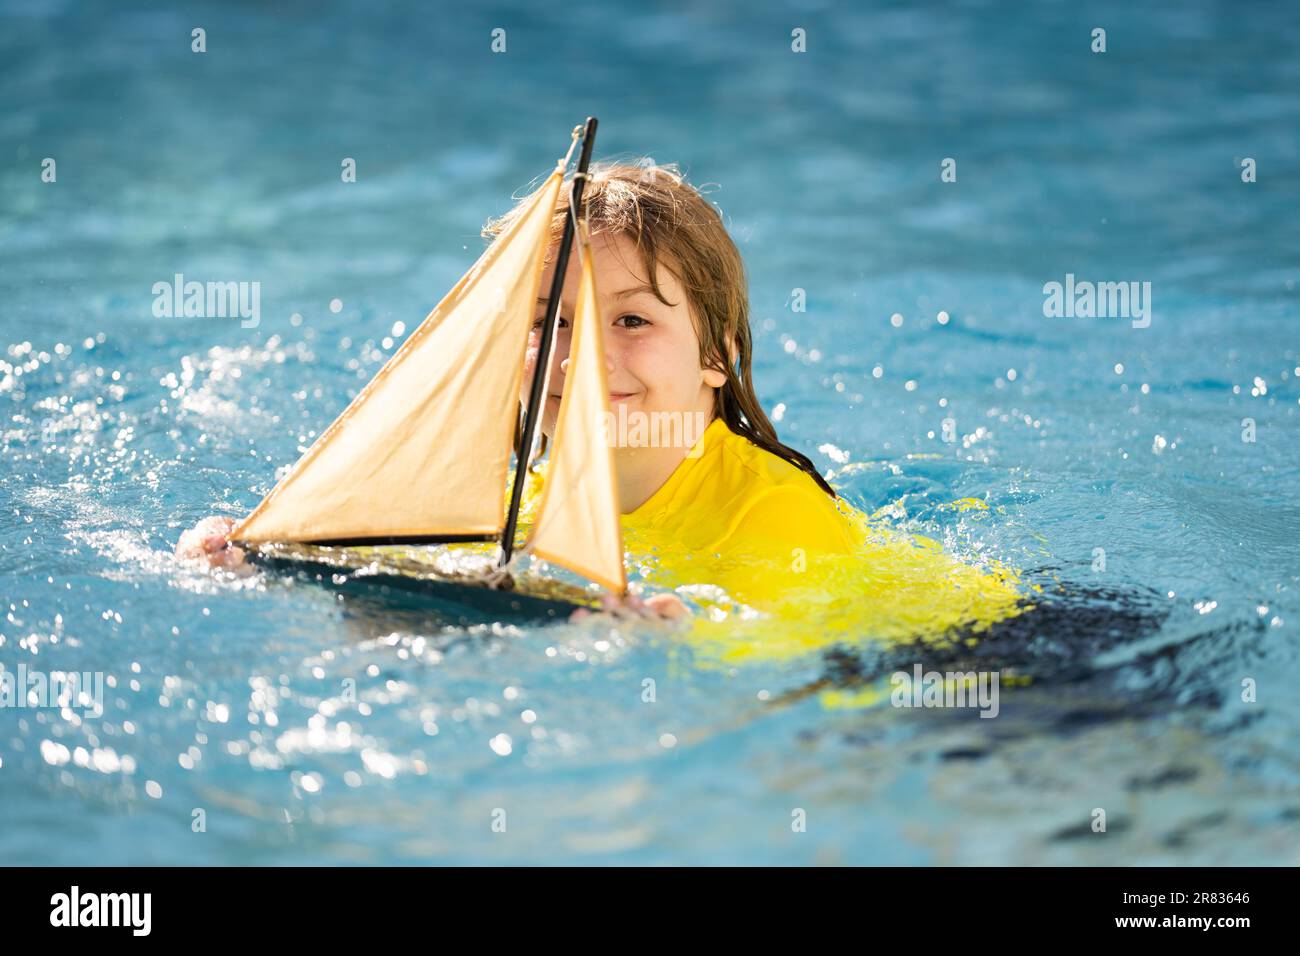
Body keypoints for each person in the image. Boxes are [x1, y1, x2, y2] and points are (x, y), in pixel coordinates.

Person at [178, 161, 863, 622]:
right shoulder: (523, 497)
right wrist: (261, 557)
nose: (583, 359)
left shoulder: (776, 520)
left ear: (717, 355)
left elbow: (785, 676)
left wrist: (673, 653)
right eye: (549, 322)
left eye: (630, 320)